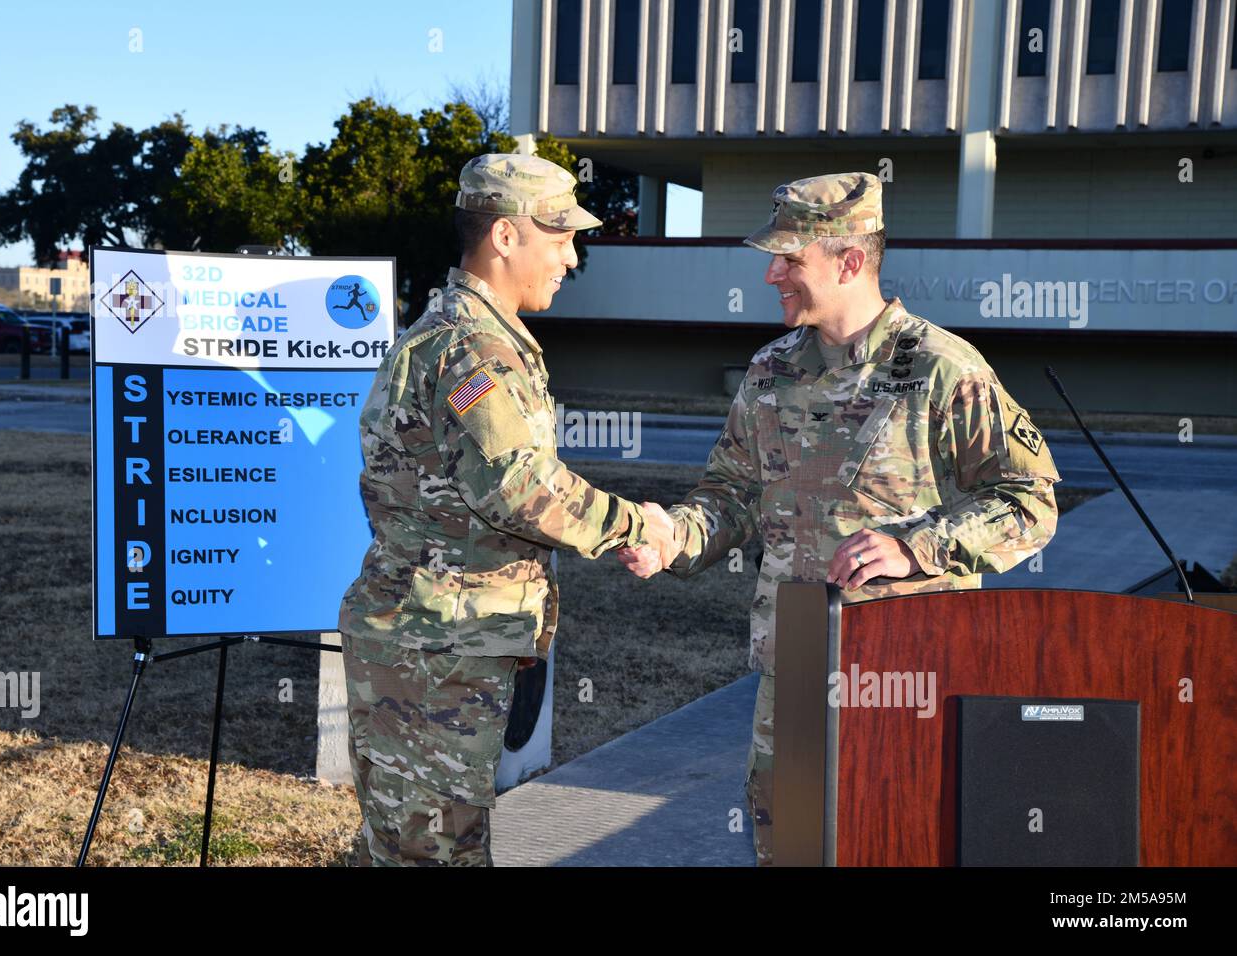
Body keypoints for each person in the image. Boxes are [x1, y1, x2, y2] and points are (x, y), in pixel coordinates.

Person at [618, 171, 1061, 866]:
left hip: (907, 678)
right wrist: (673, 535)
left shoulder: (944, 371)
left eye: (789, 258)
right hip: (793, 672)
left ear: (850, 261)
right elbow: (732, 495)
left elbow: (1029, 502)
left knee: (899, 846)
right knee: (789, 848)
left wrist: (916, 546)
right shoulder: (769, 372)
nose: (770, 275)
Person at [339, 152, 678, 866]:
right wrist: (640, 525)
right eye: (558, 236)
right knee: (434, 849)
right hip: (437, 655)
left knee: (418, 842)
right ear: (503, 237)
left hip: (432, 641)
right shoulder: (473, 349)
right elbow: (522, 490)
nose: (571, 256)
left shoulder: (456, 332)